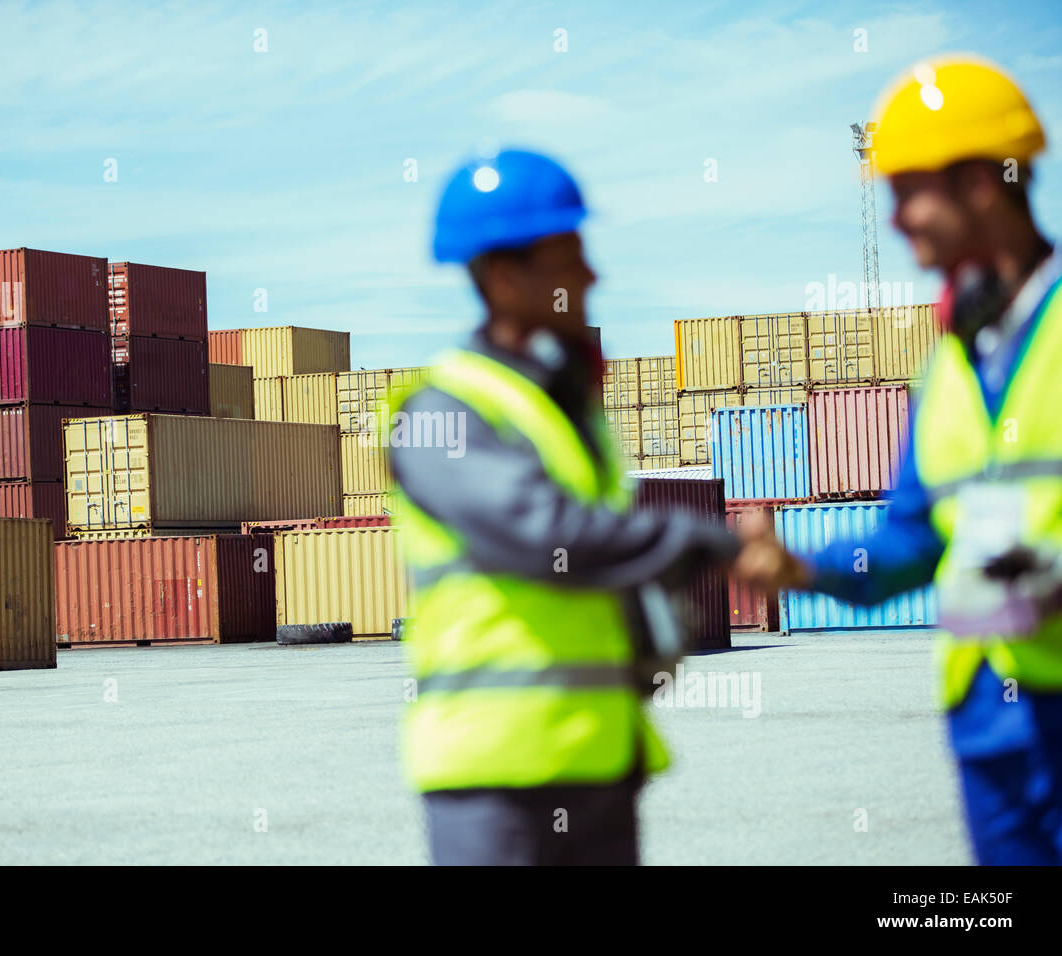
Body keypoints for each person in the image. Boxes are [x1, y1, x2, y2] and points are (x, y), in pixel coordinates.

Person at [734, 55, 1062, 865]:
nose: (896, 220)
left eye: (908, 191)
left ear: (983, 182)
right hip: (989, 727)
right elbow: (910, 542)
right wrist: (799, 569)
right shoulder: (949, 367)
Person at [386, 148, 737, 866]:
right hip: (496, 780)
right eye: (569, 253)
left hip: (600, 761)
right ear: (506, 274)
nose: (592, 274)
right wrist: (710, 542)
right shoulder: (441, 413)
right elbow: (549, 537)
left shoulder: (566, 410)